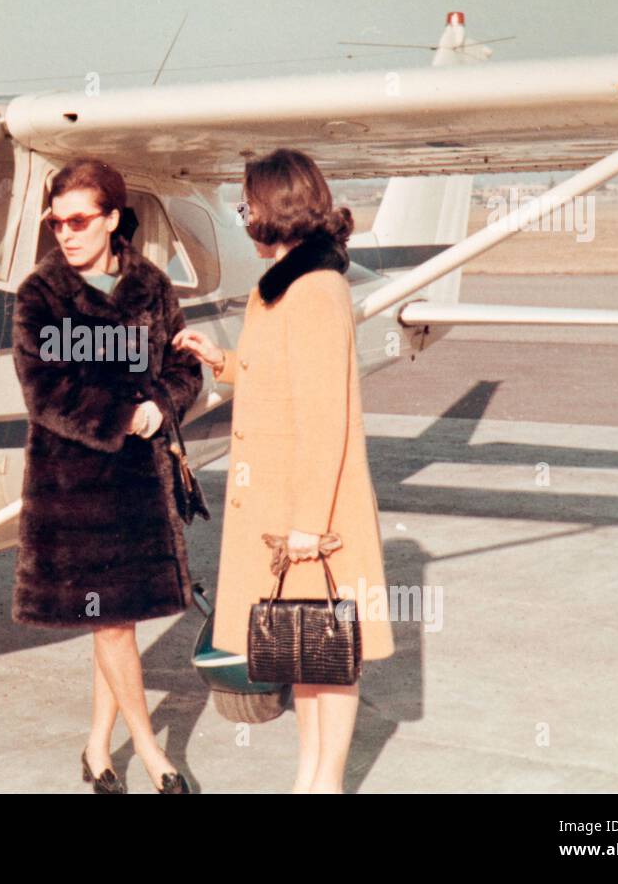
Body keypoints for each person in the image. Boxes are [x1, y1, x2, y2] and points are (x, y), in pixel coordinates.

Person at [173, 147, 395, 794]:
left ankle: (323, 784)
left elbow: (326, 417)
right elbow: (279, 379)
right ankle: (309, 778)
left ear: (274, 209)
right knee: (305, 654)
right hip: (282, 506)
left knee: (331, 652)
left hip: (312, 514)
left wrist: (308, 527)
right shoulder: (285, 286)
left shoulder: (316, 290)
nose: (242, 217)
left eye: (247, 204)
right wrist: (223, 360)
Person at [11, 157, 203, 793]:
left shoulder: (151, 287)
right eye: (56, 222)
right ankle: (151, 751)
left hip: (141, 485)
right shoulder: (40, 296)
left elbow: (185, 369)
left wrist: (162, 405)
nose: (65, 234)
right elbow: (46, 394)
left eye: (79, 220)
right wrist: (127, 416)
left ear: (113, 219)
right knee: (114, 623)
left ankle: (97, 750)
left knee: (115, 619)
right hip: (74, 490)